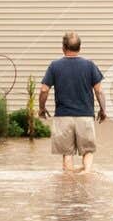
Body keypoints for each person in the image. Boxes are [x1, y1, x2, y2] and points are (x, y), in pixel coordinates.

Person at [37, 31, 107, 173]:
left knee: (67, 154)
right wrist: (103, 110)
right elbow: (99, 91)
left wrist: (42, 108)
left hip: (63, 116)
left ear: (63, 47)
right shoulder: (89, 65)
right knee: (87, 151)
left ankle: (68, 186)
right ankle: (86, 175)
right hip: (85, 116)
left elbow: (44, 90)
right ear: (79, 48)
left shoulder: (54, 66)